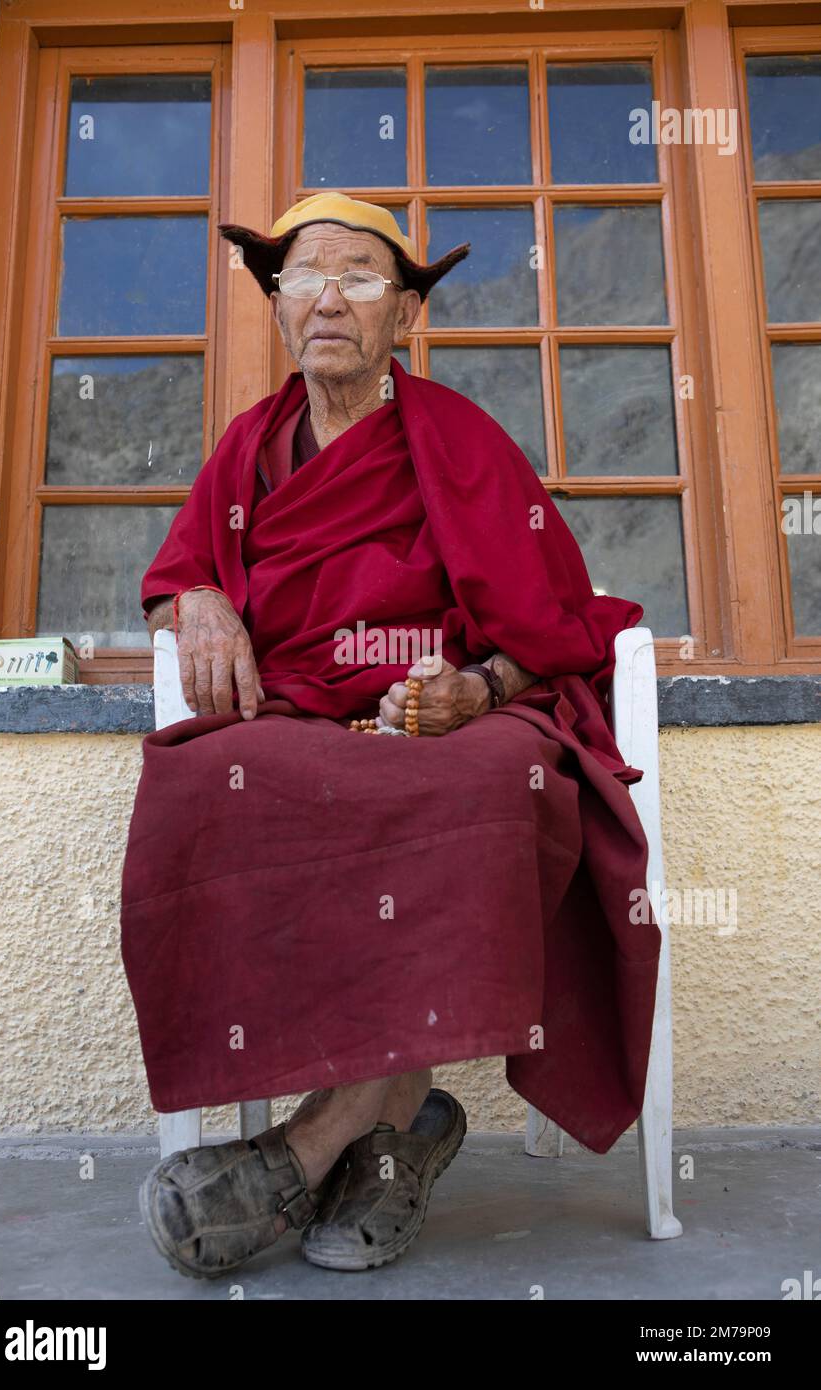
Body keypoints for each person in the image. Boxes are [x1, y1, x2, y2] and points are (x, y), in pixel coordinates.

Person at [121, 191, 661, 1281]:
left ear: (404, 314)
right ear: (278, 305)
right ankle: (399, 1132)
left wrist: (474, 683)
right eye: (305, 275)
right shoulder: (248, 448)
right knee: (206, 781)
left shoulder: (461, 441)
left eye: (361, 278)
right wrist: (197, 602)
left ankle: (300, 1150)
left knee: (492, 782)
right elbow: (177, 572)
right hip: (300, 713)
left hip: (439, 717)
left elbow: (559, 626)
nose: (328, 298)